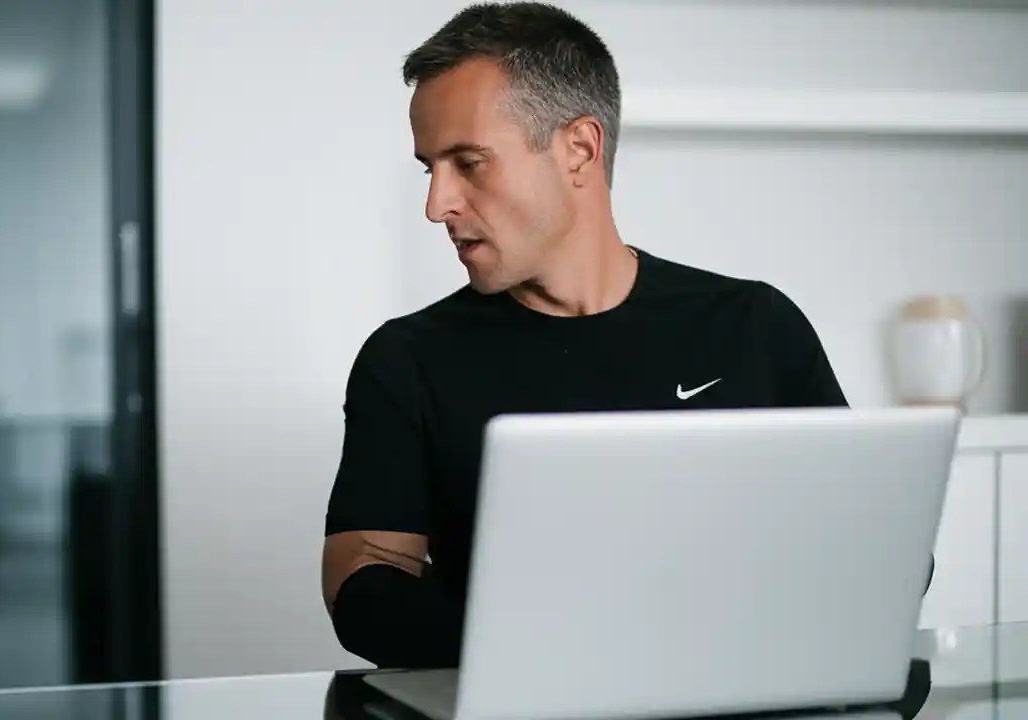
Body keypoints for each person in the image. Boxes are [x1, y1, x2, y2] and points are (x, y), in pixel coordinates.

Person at [321, 1, 929, 670]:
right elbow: (364, 579)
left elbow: (883, 548)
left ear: (579, 149)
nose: (437, 205)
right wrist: (560, 647)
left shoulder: (755, 325)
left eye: (469, 162)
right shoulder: (405, 358)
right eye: (429, 167)